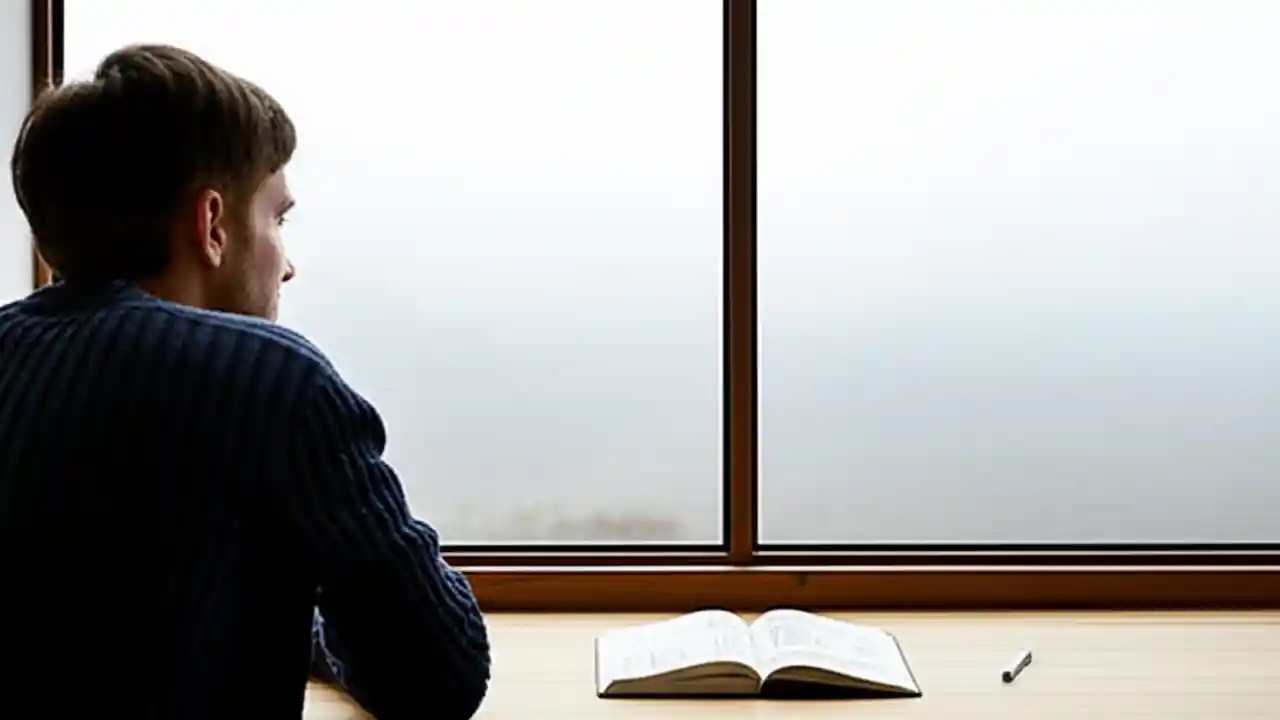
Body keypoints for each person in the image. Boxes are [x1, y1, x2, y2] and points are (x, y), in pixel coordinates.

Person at [0, 44, 490, 718]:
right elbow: (439, 675)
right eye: (277, 218)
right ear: (212, 226)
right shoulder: (274, 382)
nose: (287, 266)